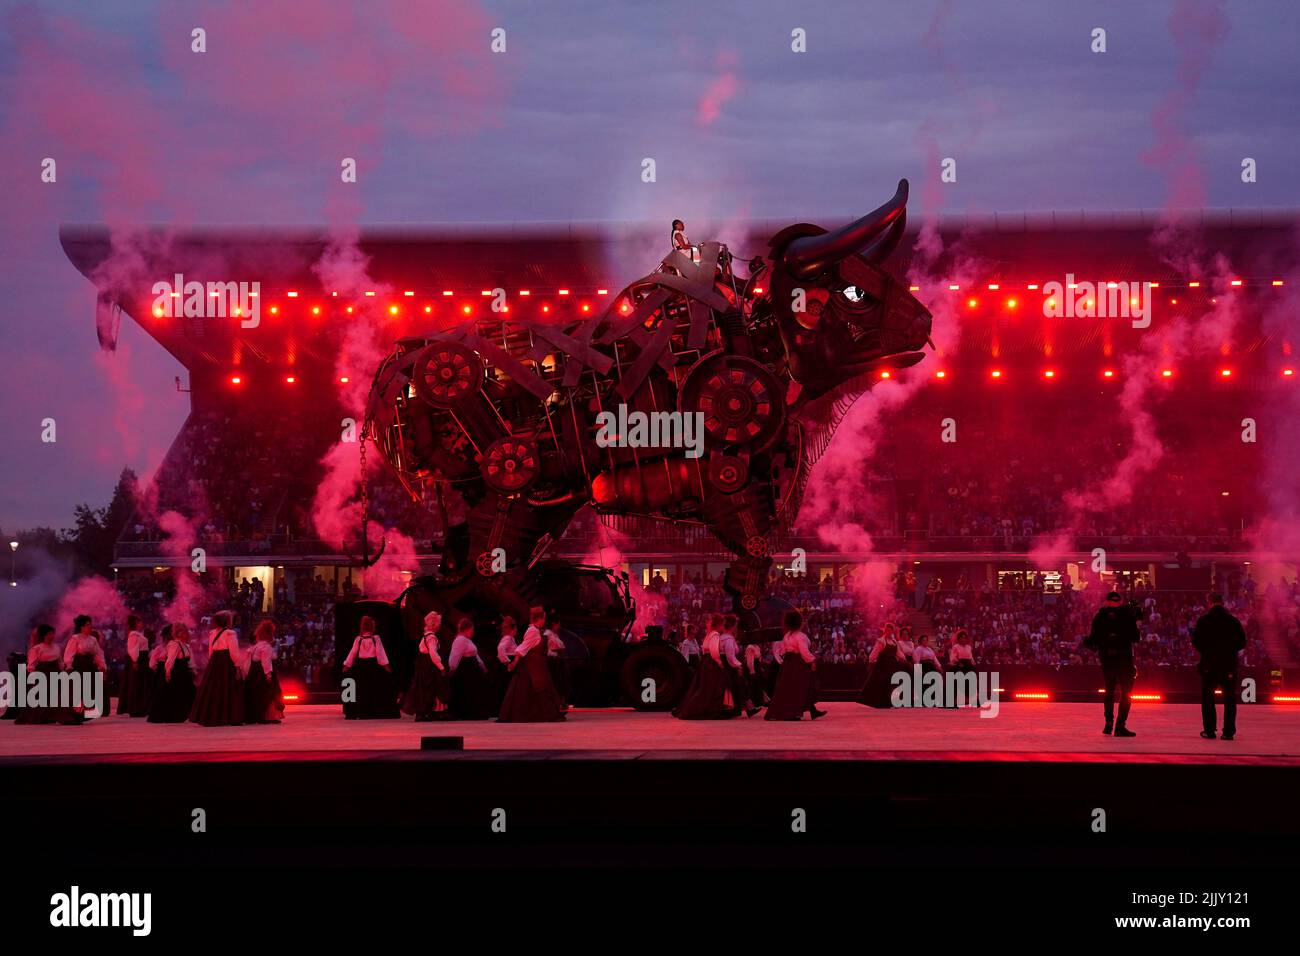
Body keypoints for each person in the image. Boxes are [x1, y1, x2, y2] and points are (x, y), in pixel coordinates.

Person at [1084, 591, 1142, 737]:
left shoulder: (1100, 616)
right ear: (1120, 602)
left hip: (1107, 659)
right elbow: (1136, 637)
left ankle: (1108, 724)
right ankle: (1120, 726)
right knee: (1126, 693)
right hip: (1124, 659)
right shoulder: (1127, 615)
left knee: (1109, 691)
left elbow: (1092, 639)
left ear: (1106, 601)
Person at [1191, 593, 1246, 740]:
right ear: (1223, 602)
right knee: (1229, 699)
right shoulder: (1233, 621)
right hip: (1228, 665)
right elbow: (1242, 642)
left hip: (1209, 664)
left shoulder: (1204, 620)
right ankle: (1228, 732)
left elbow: (1196, 641)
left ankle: (1209, 730)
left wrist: (1207, 652)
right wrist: (1229, 650)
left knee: (1208, 699)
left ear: (1210, 602)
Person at [498, 606, 566, 722]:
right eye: (543, 618)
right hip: (534, 665)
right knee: (539, 687)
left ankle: (547, 713)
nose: (544, 621)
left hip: (539, 664)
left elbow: (540, 648)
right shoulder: (532, 631)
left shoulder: (537, 630)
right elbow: (522, 648)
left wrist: (553, 655)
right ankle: (545, 714)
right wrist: (513, 663)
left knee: (543, 687)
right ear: (539, 619)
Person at [765, 611, 827, 721]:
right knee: (801, 687)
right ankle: (794, 713)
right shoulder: (800, 636)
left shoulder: (787, 636)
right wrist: (812, 661)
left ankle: (811, 711)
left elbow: (783, 651)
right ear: (799, 623)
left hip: (788, 663)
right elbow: (804, 651)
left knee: (788, 688)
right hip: (799, 664)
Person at [673, 614, 735, 720]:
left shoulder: (709, 635)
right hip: (711, 663)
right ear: (719, 624)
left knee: (704, 688)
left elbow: (704, 650)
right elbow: (714, 651)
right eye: (722, 624)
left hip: (706, 662)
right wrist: (719, 662)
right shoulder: (715, 635)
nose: (723, 627)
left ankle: (699, 708)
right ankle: (701, 709)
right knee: (712, 689)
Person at [191, 610, 245, 726]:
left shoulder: (212, 633)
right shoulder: (230, 633)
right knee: (228, 688)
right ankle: (229, 717)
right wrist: (237, 666)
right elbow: (233, 652)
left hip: (215, 661)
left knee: (213, 689)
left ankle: (212, 716)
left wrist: (212, 664)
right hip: (226, 661)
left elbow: (211, 651)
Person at [342, 616, 400, 719]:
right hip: (373, 667)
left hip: (361, 668)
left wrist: (347, 666)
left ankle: (361, 711)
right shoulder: (375, 639)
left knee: (361, 690)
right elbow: (380, 654)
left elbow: (352, 653)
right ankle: (372, 711)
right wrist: (386, 667)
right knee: (373, 689)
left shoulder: (359, 639)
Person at [402, 611, 450, 721]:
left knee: (421, 689)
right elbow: (433, 653)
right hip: (429, 665)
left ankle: (423, 713)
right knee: (431, 688)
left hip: (422, 665)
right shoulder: (432, 637)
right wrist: (441, 667)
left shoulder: (425, 636)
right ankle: (429, 712)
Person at [148, 623, 197, 723]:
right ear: (179, 633)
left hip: (183, 673)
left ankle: (183, 714)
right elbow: (170, 659)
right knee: (173, 695)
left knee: (185, 694)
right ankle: (173, 715)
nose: (188, 634)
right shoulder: (174, 644)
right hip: (176, 673)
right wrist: (168, 672)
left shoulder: (185, 645)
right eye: (185, 632)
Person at [62, 615, 107, 722]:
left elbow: (98, 653)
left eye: (90, 624)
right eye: (87, 625)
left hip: (90, 666)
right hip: (79, 665)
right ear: (81, 627)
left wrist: (102, 665)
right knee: (78, 690)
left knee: (89, 689)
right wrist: (69, 666)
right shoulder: (75, 638)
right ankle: (76, 713)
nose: (90, 626)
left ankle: (85, 713)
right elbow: (69, 654)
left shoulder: (93, 639)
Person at [448, 617, 494, 719]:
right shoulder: (460, 640)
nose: (473, 632)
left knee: (476, 691)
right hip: (466, 671)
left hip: (473, 669)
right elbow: (455, 656)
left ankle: (477, 713)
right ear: (467, 629)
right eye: (472, 629)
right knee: (469, 692)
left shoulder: (467, 640)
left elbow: (475, 654)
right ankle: (469, 713)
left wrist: (482, 666)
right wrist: (452, 668)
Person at [15, 625, 61, 725]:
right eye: (49, 633)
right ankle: (39, 717)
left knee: (55, 695)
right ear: (44, 635)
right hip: (43, 673)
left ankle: (51, 716)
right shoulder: (37, 648)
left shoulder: (57, 647)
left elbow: (59, 661)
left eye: (53, 633)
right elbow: (31, 665)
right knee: (41, 696)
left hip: (55, 672)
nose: (52, 636)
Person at [243, 620, 285, 724]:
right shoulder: (266, 647)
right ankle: (266, 717)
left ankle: (257, 716)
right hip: (263, 673)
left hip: (255, 674)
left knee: (257, 695)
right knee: (269, 695)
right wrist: (268, 675)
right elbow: (266, 662)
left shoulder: (256, 646)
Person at [857, 624, 901, 709]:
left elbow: (898, 653)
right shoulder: (881, 641)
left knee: (891, 684)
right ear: (885, 631)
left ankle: (890, 702)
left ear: (892, 631)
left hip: (891, 665)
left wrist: (903, 659)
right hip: (882, 666)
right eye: (887, 630)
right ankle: (883, 703)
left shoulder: (894, 642)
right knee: (883, 684)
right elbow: (874, 653)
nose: (888, 632)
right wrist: (871, 661)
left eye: (890, 630)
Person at [117, 614, 152, 717]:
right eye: (140, 622)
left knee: (140, 684)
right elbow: (133, 649)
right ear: (136, 623)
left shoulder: (138, 634)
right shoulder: (134, 635)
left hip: (142, 660)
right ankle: (135, 708)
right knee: (136, 684)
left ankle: (140, 707)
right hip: (138, 660)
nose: (142, 624)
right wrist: (135, 661)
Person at [544, 610, 571, 710]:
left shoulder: (553, 635)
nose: (559, 626)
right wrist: (555, 654)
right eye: (558, 623)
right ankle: (557, 703)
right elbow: (546, 650)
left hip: (558, 662)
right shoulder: (547, 635)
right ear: (554, 624)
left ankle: (561, 702)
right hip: (553, 663)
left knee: (562, 683)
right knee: (557, 683)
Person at [494, 615, 519, 707]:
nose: (517, 630)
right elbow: (500, 649)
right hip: (506, 666)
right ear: (512, 628)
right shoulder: (507, 638)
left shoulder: (511, 639)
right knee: (505, 687)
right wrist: (507, 662)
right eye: (515, 627)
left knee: (505, 687)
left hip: (506, 665)